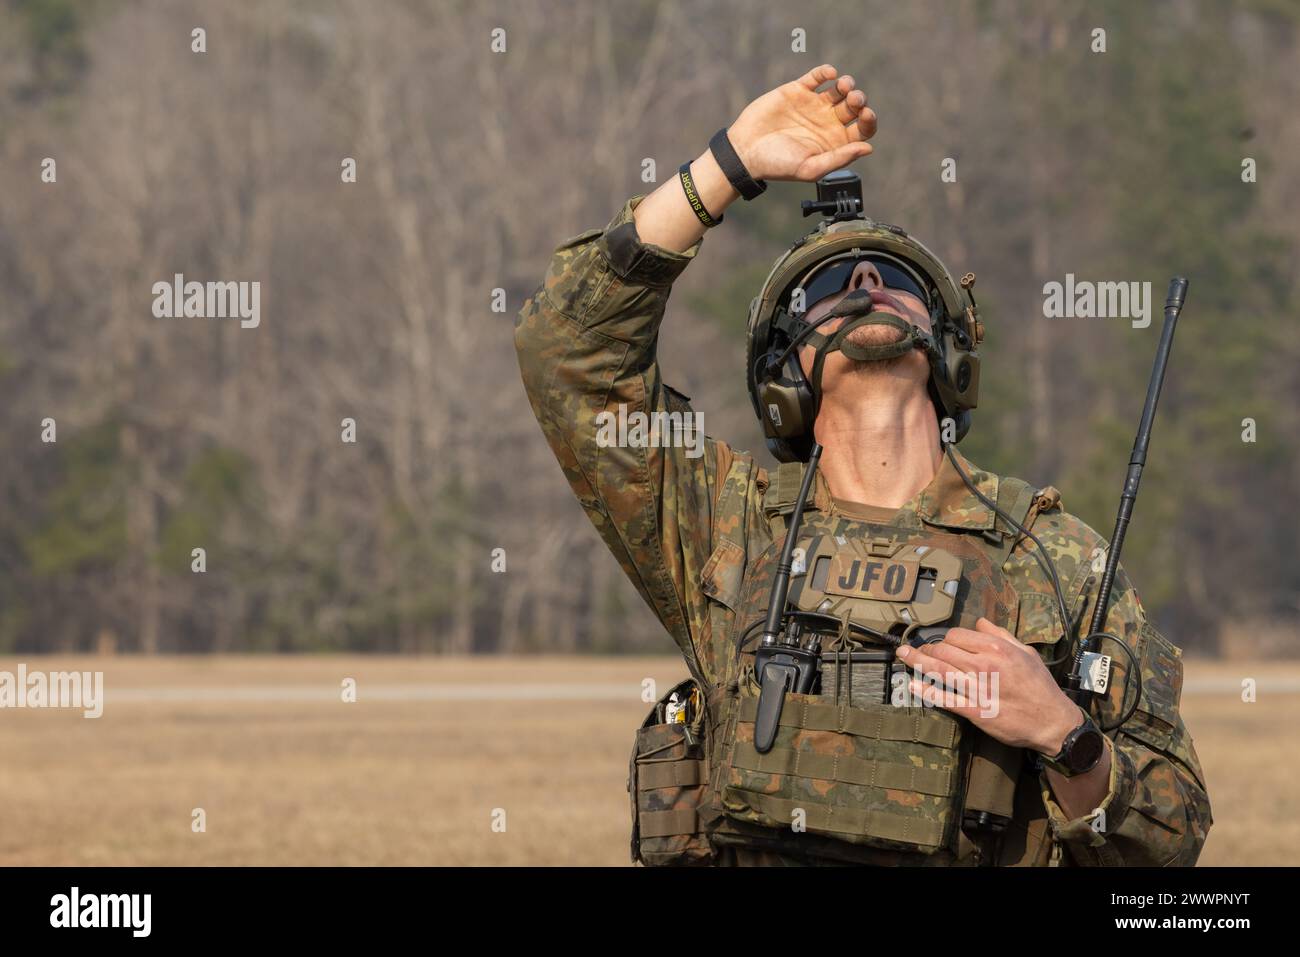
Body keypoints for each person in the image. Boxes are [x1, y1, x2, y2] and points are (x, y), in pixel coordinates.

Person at [514, 64, 1210, 866]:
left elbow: (1171, 842)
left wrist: (1066, 734)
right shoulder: (724, 524)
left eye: (897, 281)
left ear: (949, 354)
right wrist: (726, 166)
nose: (867, 283)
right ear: (784, 376)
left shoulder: (1056, 560)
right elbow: (566, 351)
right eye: (831, 284)